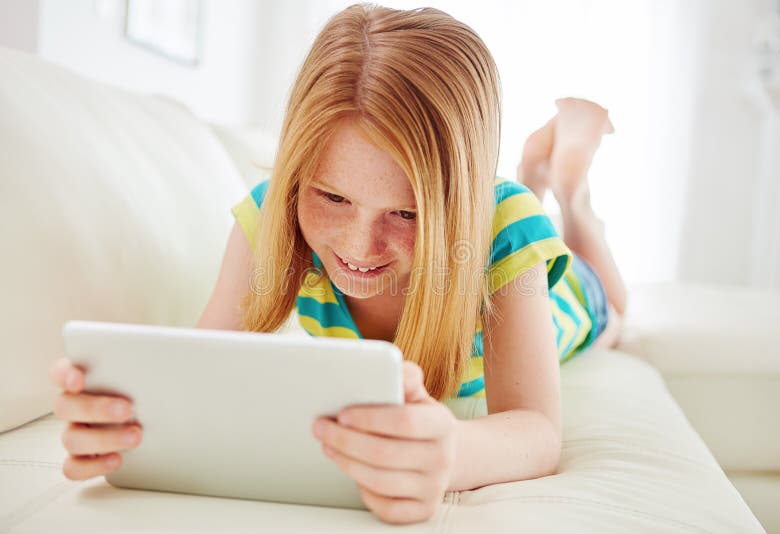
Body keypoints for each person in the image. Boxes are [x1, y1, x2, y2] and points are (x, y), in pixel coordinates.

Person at [48, 3, 626, 526]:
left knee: (617, 315)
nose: (358, 247)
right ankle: (543, 178)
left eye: (406, 212)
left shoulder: (505, 230)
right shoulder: (271, 219)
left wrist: (452, 451)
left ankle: (570, 194)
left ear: (459, 204)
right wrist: (130, 423)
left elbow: (538, 430)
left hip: (568, 302)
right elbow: (201, 374)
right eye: (332, 197)